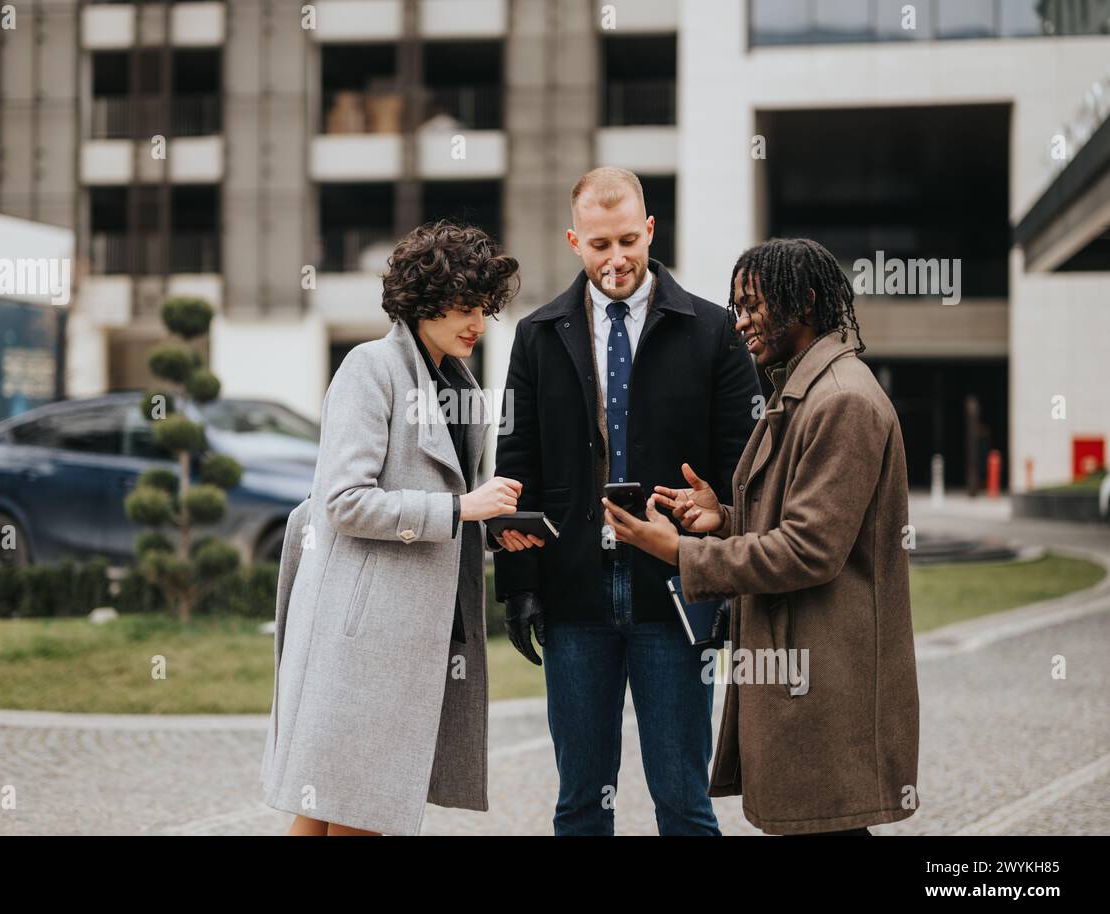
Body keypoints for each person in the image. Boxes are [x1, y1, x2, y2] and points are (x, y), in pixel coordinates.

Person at [602, 237, 920, 836]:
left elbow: (810, 549)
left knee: (829, 828)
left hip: (827, 674)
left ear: (802, 301)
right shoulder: (800, 391)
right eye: (736, 305)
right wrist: (721, 517)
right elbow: (797, 520)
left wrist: (678, 552)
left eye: (753, 305)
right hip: (800, 666)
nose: (740, 321)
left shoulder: (842, 401)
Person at [492, 167, 760, 835]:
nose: (616, 259)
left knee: (684, 801)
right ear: (574, 240)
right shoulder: (537, 335)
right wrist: (518, 586)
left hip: (675, 593)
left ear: (650, 230)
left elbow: (747, 467)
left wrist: (720, 518)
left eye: (628, 242)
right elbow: (514, 468)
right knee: (580, 802)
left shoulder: (713, 331)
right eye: (600, 244)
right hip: (572, 593)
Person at [260, 220, 530, 836]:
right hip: (363, 635)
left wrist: (492, 526)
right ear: (423, 303)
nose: (478, 324)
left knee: (328, 802)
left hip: (405, 629)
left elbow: (448, 502)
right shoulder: (370, 367)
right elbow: (345, 501)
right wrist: (463, 510)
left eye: (483, 309)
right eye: (465, 308)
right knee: (357, 806)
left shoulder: (454, 383)